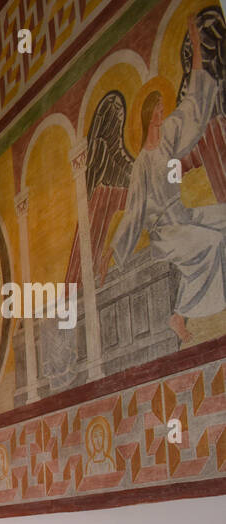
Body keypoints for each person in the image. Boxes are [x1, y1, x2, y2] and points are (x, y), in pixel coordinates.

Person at [103, 20, 226, 344]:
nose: (161, 112)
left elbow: (193, 106)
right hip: (165, 233)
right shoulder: (141, 163)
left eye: (161, 108)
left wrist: (198, 49)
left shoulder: (169, 137)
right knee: (209, 243)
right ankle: (180, 315)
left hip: (183, 215)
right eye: (157, 109)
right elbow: (133, 212)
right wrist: (113, 253)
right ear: (146, 116)